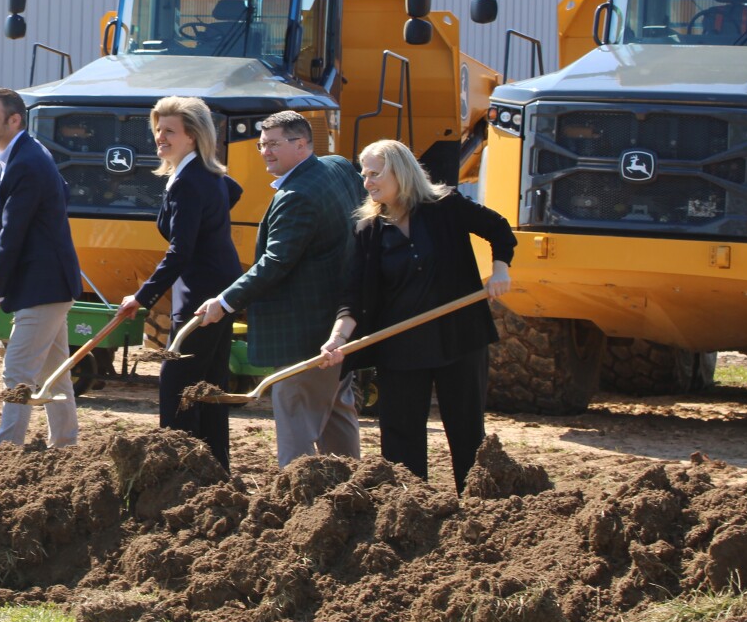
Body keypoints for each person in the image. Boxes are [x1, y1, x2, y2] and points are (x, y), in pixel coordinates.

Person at [319, 138, 516, 492]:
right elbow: (353, 293)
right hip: (402, 345)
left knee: (466, 427)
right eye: (364, 175)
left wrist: (500, 271)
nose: (368, 183)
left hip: (459, 337)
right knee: (400, 432)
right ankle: (410, 504)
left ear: (401, 172)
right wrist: (337, 338)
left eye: (375, 173)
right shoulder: (368, 229)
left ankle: (476, 503)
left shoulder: (445, 207)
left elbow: (499, 230)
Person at [195, 110, 364, 467]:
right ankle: (352, 487)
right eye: (261, 144)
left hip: (304, 332)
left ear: (301, 144)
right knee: (337, 409)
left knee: (295, 416)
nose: (264, 152)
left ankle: (296, 493)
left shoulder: (295, 195)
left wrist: (224, 302)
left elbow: (276, 262)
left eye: (273, 144)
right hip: (340, 322)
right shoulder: (337, 167)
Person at [118, 96, 242, 470]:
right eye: (158, 129)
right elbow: (232, 192)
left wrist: (141, 296)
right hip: (221, 289)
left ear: (192, 136)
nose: (160, 137)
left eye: (169, 130)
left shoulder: (190, 181)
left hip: (199, 296)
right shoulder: (208, 174)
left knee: (178, 386)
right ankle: (215, 469)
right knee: (208, 387)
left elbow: (181, 251)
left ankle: (178, 472)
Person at [0, 87, 83, 448]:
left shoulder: (26, 162)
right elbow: (62, 194)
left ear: (15, 119)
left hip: (43, 288)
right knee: (56, 374)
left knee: (17, 370)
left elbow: (12, 235)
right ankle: (66, 448)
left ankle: (7, 451)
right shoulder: (30, 154)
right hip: (51, 284)